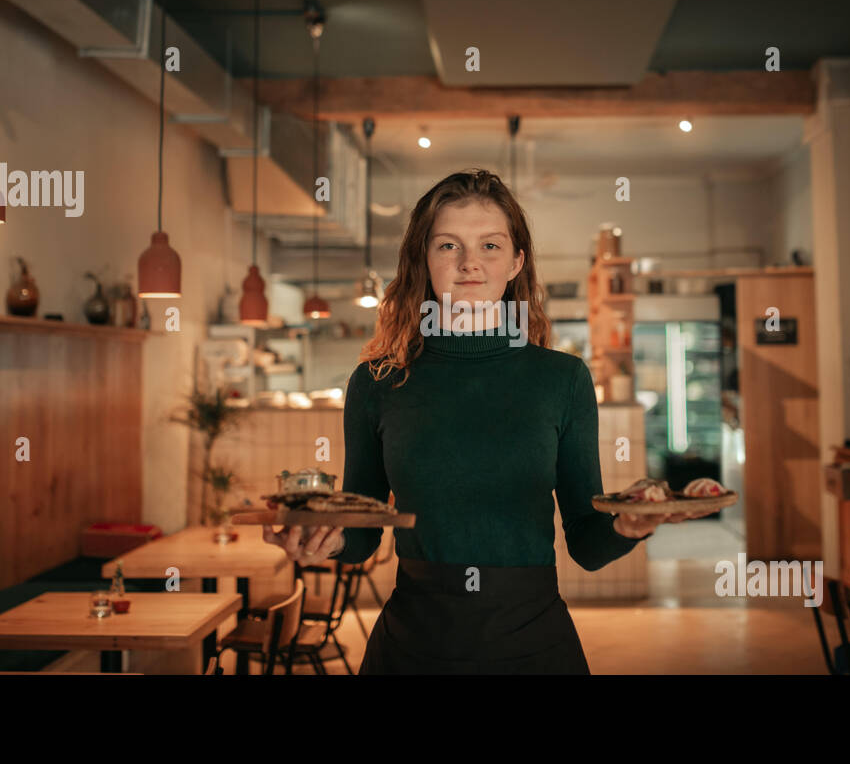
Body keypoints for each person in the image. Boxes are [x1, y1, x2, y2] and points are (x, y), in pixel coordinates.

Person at [264, 169, 714, 674]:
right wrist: (327, 540)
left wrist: (629, 527)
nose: (469, 264)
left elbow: (587, 541)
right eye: (448, 246)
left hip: (534, 647)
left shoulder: (561, 380)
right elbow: (366, 529)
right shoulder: (376, 383)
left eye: (491, 246)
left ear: (517, 261)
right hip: (412, 648)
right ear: (424, 259)